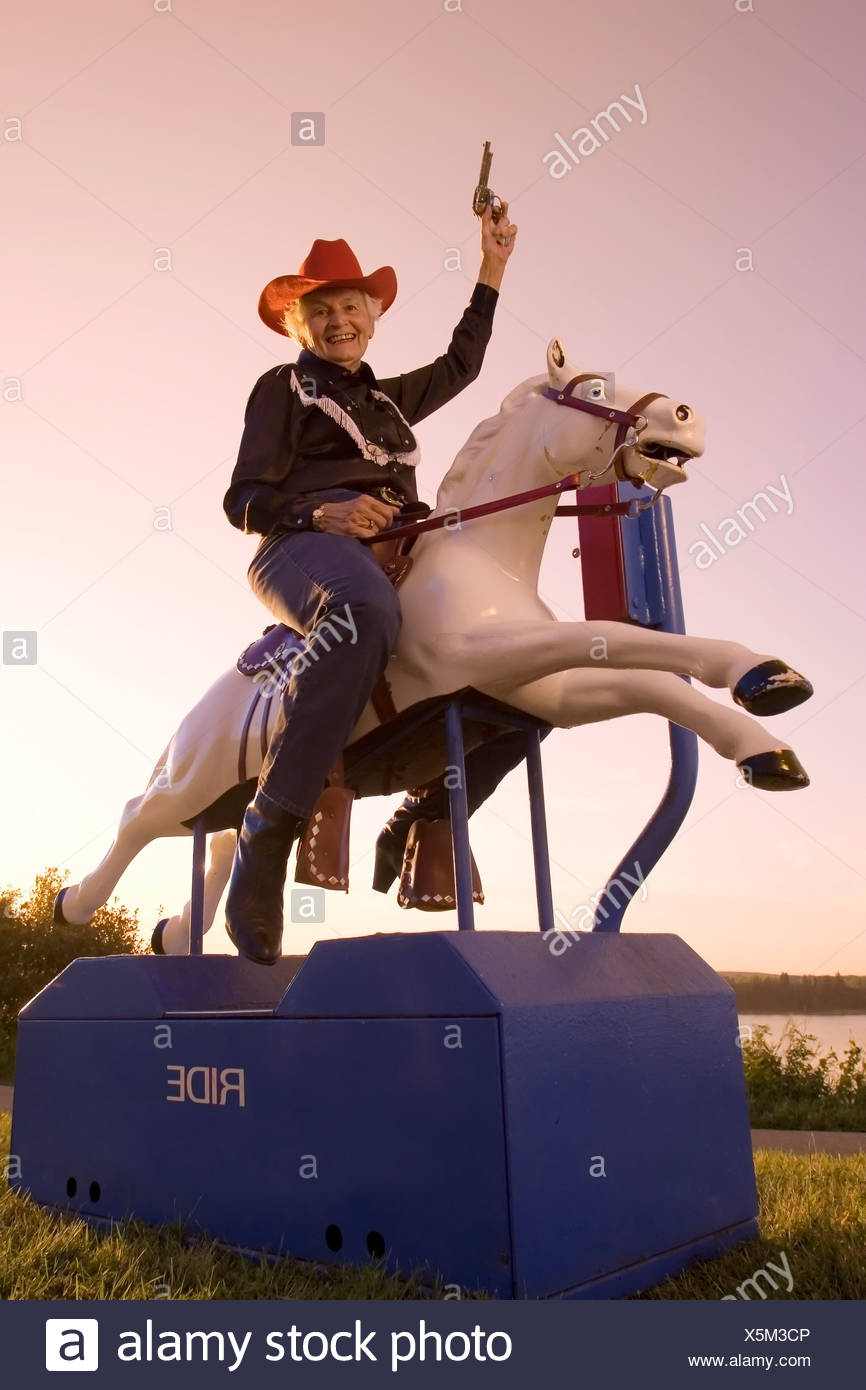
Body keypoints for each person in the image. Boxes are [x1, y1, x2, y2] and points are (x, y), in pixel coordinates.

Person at [223, 203, 521, 965]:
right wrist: (321, 510)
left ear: (373, 316)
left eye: (350, 305)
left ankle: (424, 814)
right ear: (302, 326)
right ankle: (267, 837)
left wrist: (490, 268)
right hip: (299, 547)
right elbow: (243, 502)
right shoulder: (283, 389)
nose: (337, 320)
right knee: (362, 609)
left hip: (395, 545)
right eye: (319, 310)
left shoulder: (388, 399)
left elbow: (463, 365)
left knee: (523, 664)